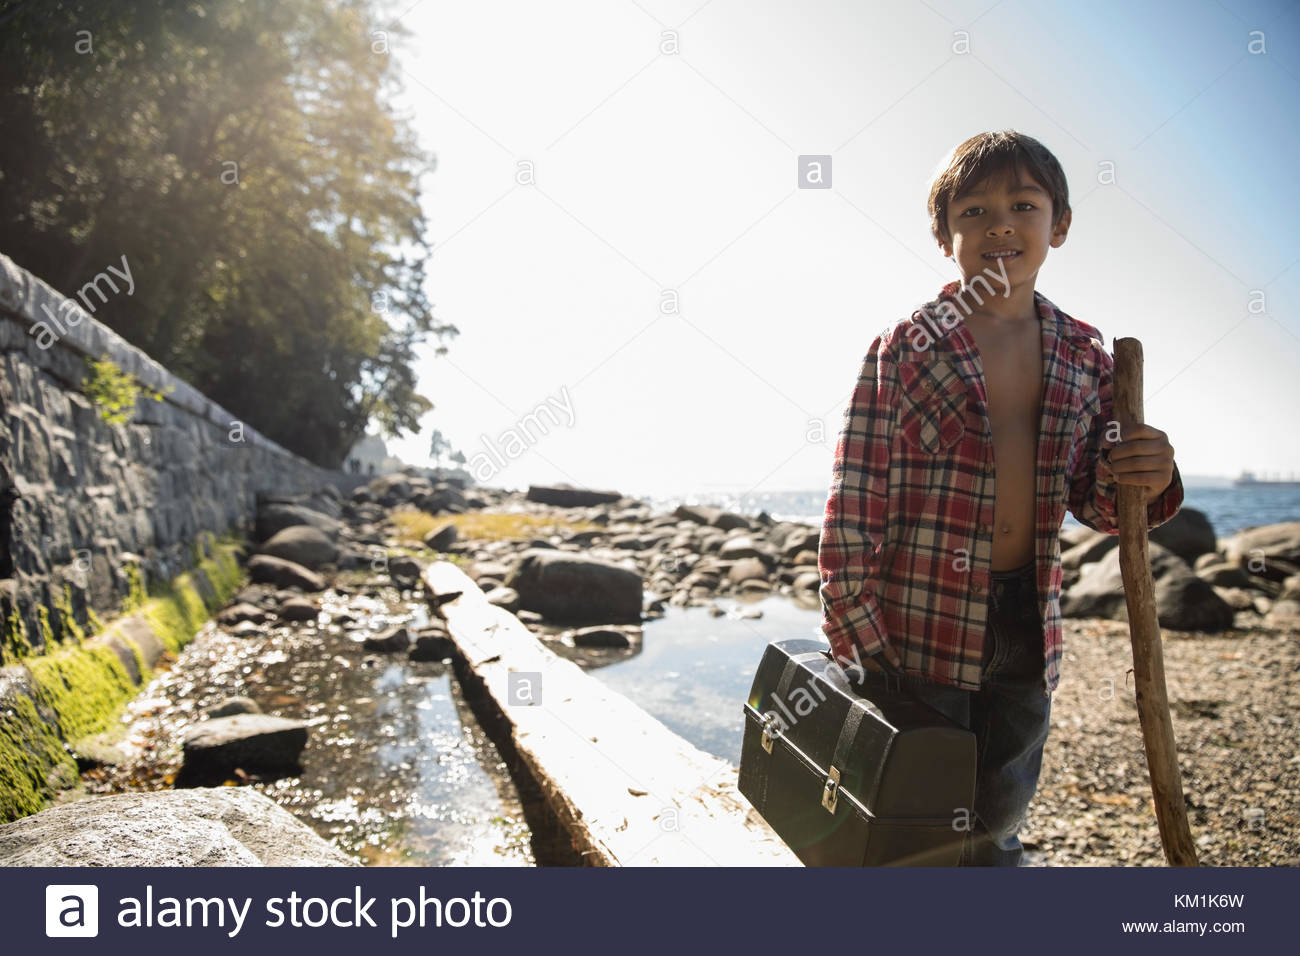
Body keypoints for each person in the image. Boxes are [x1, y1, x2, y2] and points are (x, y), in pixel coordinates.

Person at [817, 129, 1184, 866]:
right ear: (944, 233)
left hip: (1026, 623)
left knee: (998, 815)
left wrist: (1147, 472)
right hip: (916, 628)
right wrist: (860, 639)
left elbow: (1099, 501)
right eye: (975, 211)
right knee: (908, 823)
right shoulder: (906, 347)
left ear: (1061, 225)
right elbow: (855, 499)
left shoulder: (1087, 355)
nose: (1001, 225)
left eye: (1023, 204)